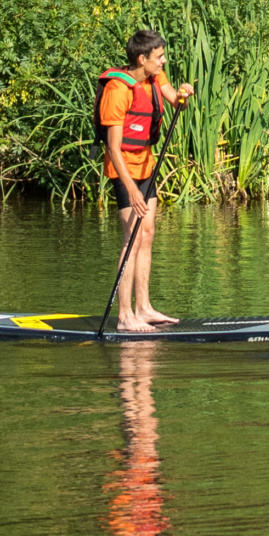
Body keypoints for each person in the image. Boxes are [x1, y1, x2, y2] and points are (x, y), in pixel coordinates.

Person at [97, 31, 195, 331]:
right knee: (132, 238)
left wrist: (183, 94)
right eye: (159, 57)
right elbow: (113, 148)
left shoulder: (155, 77)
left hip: (146, 166)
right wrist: (131, 190)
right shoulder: (117, 90)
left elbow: (175, 101)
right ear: (142, 59)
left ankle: (144, 308)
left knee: (147, 233)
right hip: (123, 171)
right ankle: (125, 315)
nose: (163, 61)